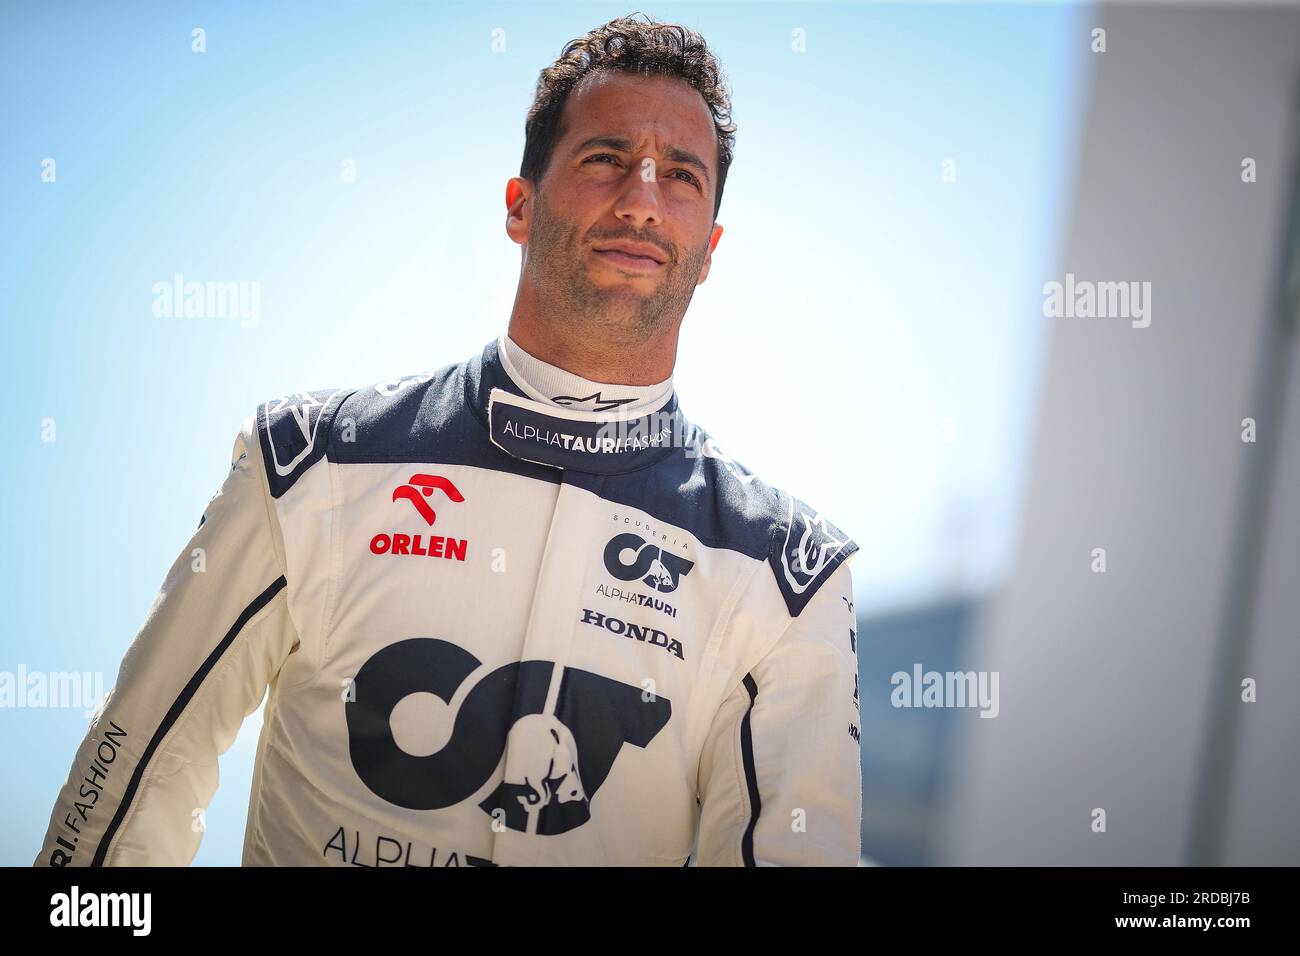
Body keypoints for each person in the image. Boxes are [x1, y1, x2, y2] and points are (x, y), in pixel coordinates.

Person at [34, 14, 862, 867]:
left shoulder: (786, 576)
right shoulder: (313, 466)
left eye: (681, 176)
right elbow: (135, 780)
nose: (642, 200)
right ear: (519, 206)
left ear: (709, 250)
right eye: (605, 157)